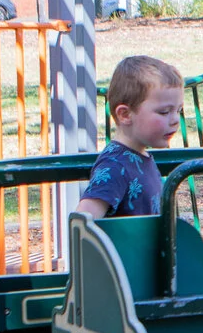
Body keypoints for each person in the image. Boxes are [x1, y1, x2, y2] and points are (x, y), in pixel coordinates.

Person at [78, 54, 183, 219]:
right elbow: (83, 223)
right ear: (125, 114)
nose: (175, 120)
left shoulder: (141, 157)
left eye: (179, 110)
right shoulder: (115, 166)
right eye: (164, 112)